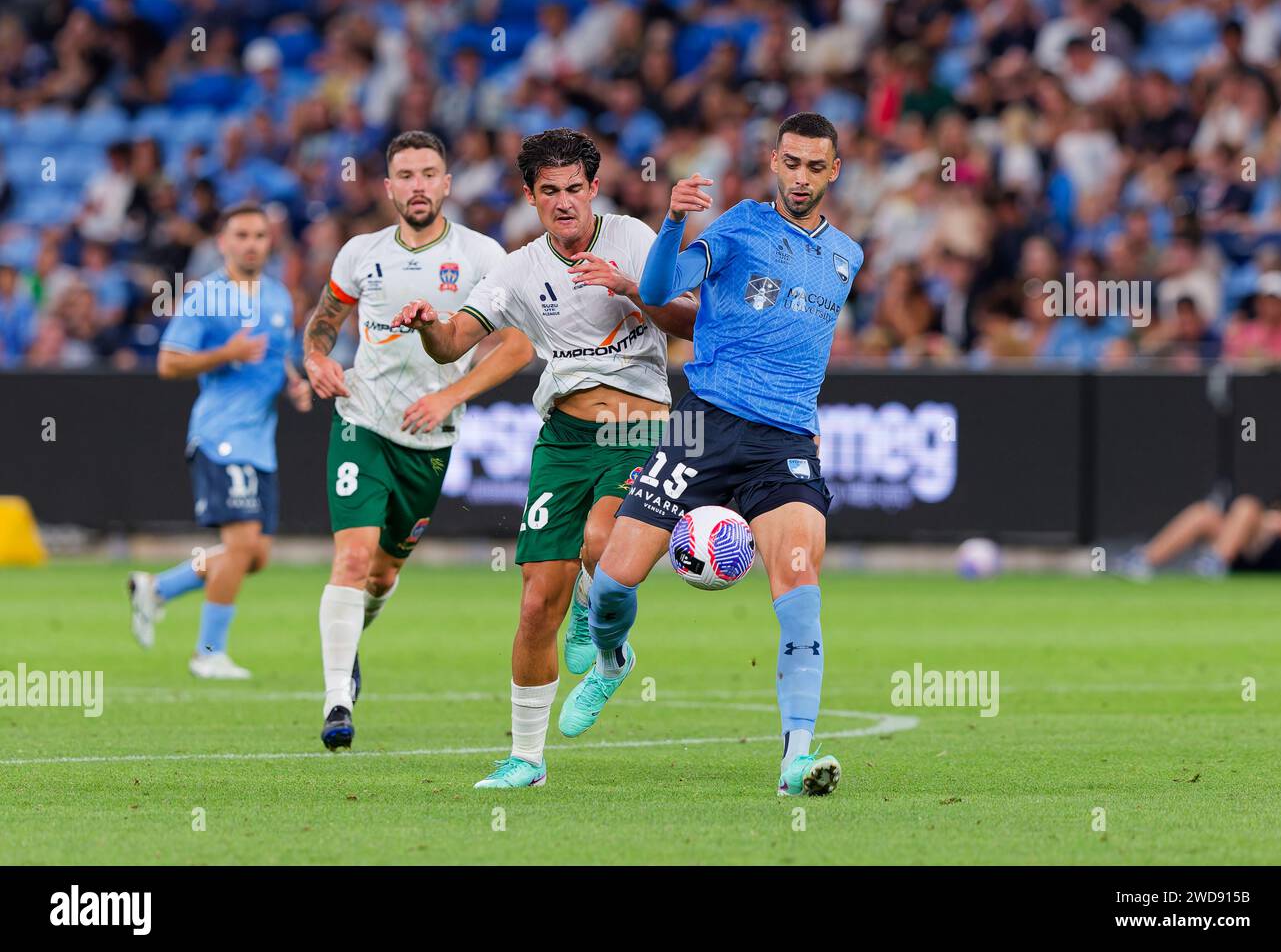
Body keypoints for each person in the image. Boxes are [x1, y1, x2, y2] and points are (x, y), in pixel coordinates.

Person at [557, 112, 864, 797]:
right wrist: (672, 222)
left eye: (816, 166)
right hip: (703, 427)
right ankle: (610, 662)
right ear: (772, 161)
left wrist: (803, 418)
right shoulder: (740, 228)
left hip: (783, 444)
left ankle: (798, 757)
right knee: (612, 580)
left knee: (798, 584)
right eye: (792, 163)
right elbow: (663, 291)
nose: (803, 178)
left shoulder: (848, 255)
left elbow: (798, 344)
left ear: (834, 171)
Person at [391, 127, 697, 788]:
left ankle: (607, 648)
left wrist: (631, 286)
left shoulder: (637, 240)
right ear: (531, 196)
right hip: (563, 441)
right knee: (535, 606)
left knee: (599, 539)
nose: (564, 203)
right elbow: (451, 345)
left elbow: (696, 321)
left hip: (636, 431)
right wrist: (424, 324)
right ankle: (527, 759)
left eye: (575, 189)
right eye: (549, 191)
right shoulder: (518, 269)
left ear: (594, 188)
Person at [301, 131, 535, 750]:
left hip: (428, 441)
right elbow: (322, 325)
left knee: (380, 576)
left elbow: (517, 345)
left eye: (429, 173)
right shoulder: (360, 253)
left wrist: (449, 396)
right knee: (351, 558)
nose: (418, 186)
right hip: (362, 420)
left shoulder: (483, 256)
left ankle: (353, 643)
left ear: (448, 183)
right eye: (405, 175)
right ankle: (336, 700)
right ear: (389, 187)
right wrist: (316, 359)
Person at [128, 203, 311, 678]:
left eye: (259, 235)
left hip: (260, 441)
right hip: (221, 435)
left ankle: (158, 588)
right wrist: (225, 353)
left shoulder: (276, 296)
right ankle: (208, 653)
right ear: (223, 243)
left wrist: (295, 384)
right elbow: (168, 362)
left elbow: (280, 359)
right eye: (241, 235)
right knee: (241, 544)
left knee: (255, 556)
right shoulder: (206, 296)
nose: (251, 243)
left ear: (270, 242)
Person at [1118, 463, 1281, 579]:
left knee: (1247, 506)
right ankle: (1143, 560)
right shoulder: (1279, 502)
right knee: (1204, 513)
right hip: (1242, 555)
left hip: (1276, 563)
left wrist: (1270, 523)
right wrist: (1268, 522)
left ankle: (1213, 563)